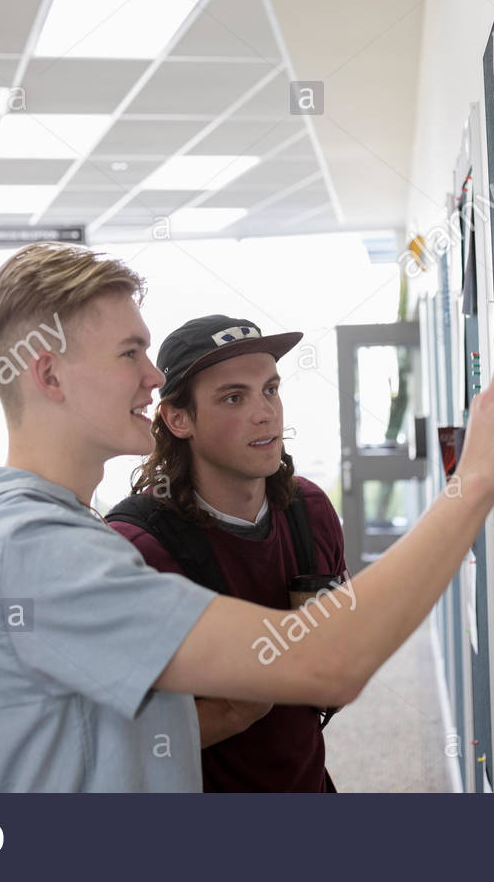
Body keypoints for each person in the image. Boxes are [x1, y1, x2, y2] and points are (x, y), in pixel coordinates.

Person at [0, 242, 494, 792]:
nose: (150, 376)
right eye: (128, 353)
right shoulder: (36, 552)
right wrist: (479, 478)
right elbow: (331, 660)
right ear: (50, 377)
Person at [107, 314, 348, 792]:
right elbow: (110, 743)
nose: (265, 413)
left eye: (271, 390)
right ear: (178, 419)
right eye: (234, 397)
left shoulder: (312, 511)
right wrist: (235, 709)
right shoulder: (136, 549)